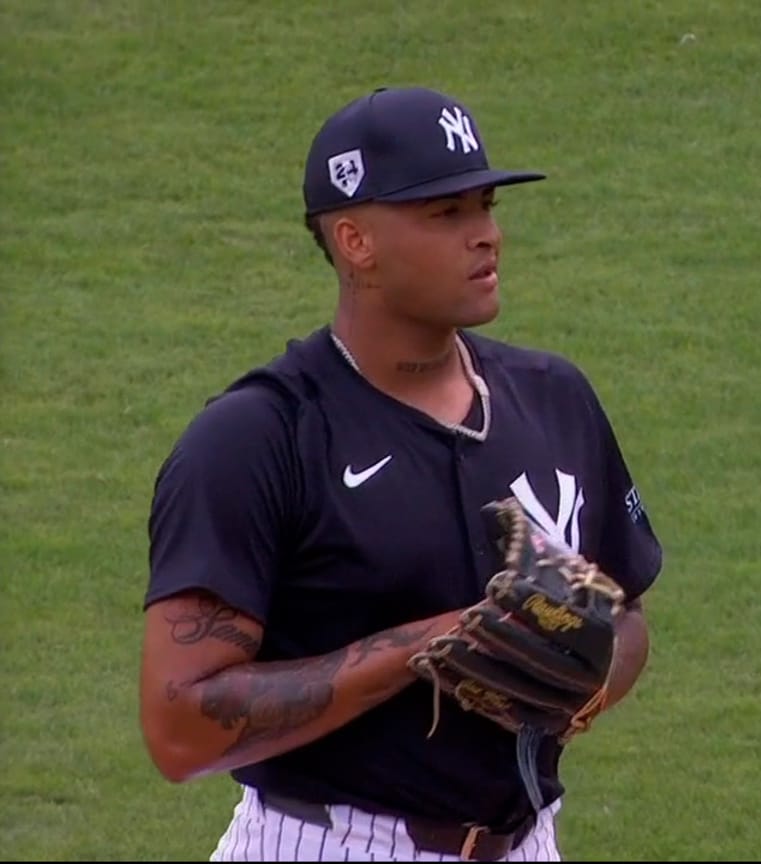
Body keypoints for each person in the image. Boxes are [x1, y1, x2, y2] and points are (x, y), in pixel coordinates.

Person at [138, 85, 664, 862]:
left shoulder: (556, 400)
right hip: (330, 844)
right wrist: (429, 646)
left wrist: (578, 680)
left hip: (528, 844)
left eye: (485, 206)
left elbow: (628, 616)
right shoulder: (259, 438)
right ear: (355, 240)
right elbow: (180, 728)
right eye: (445, 215)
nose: (485, 236)